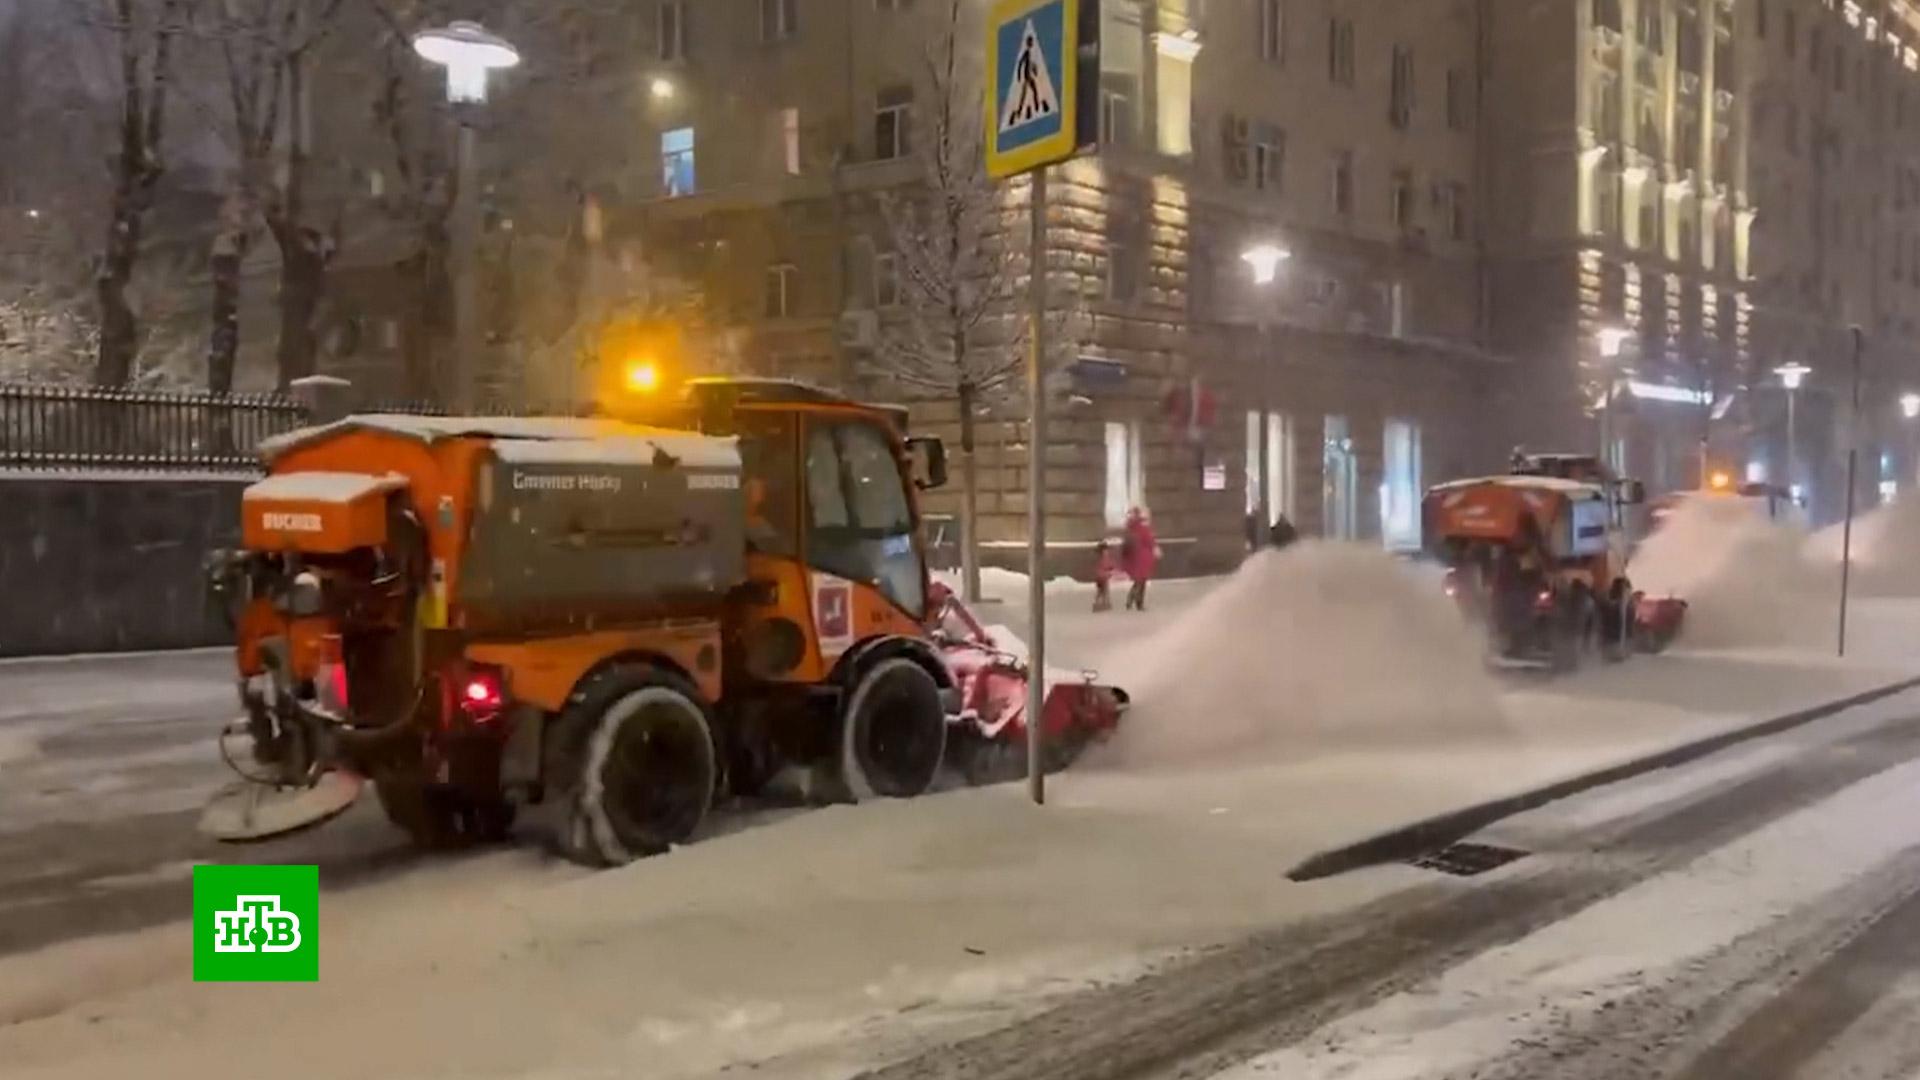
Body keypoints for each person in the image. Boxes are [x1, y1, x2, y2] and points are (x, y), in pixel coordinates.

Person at [1120, 507, 1159, 611]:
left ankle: (1131, 600)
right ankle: (1138, 603)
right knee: (1142, 581)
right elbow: (1149, 540)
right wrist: (1155, 549)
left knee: (1139, 580)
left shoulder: (1129, 527)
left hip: (1134, 557)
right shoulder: (1142, 527)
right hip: (1143, 557)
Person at [1091, 540, 1118, 612]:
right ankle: (1104, 603)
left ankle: (1098, 602)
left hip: (1099, 575)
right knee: (1104, 590)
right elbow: (1107, 564)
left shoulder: (1097, 556)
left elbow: (1098, 565)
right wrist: (1111, 567)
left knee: (1100, 590)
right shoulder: (1105, 555)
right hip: (1104, 575)